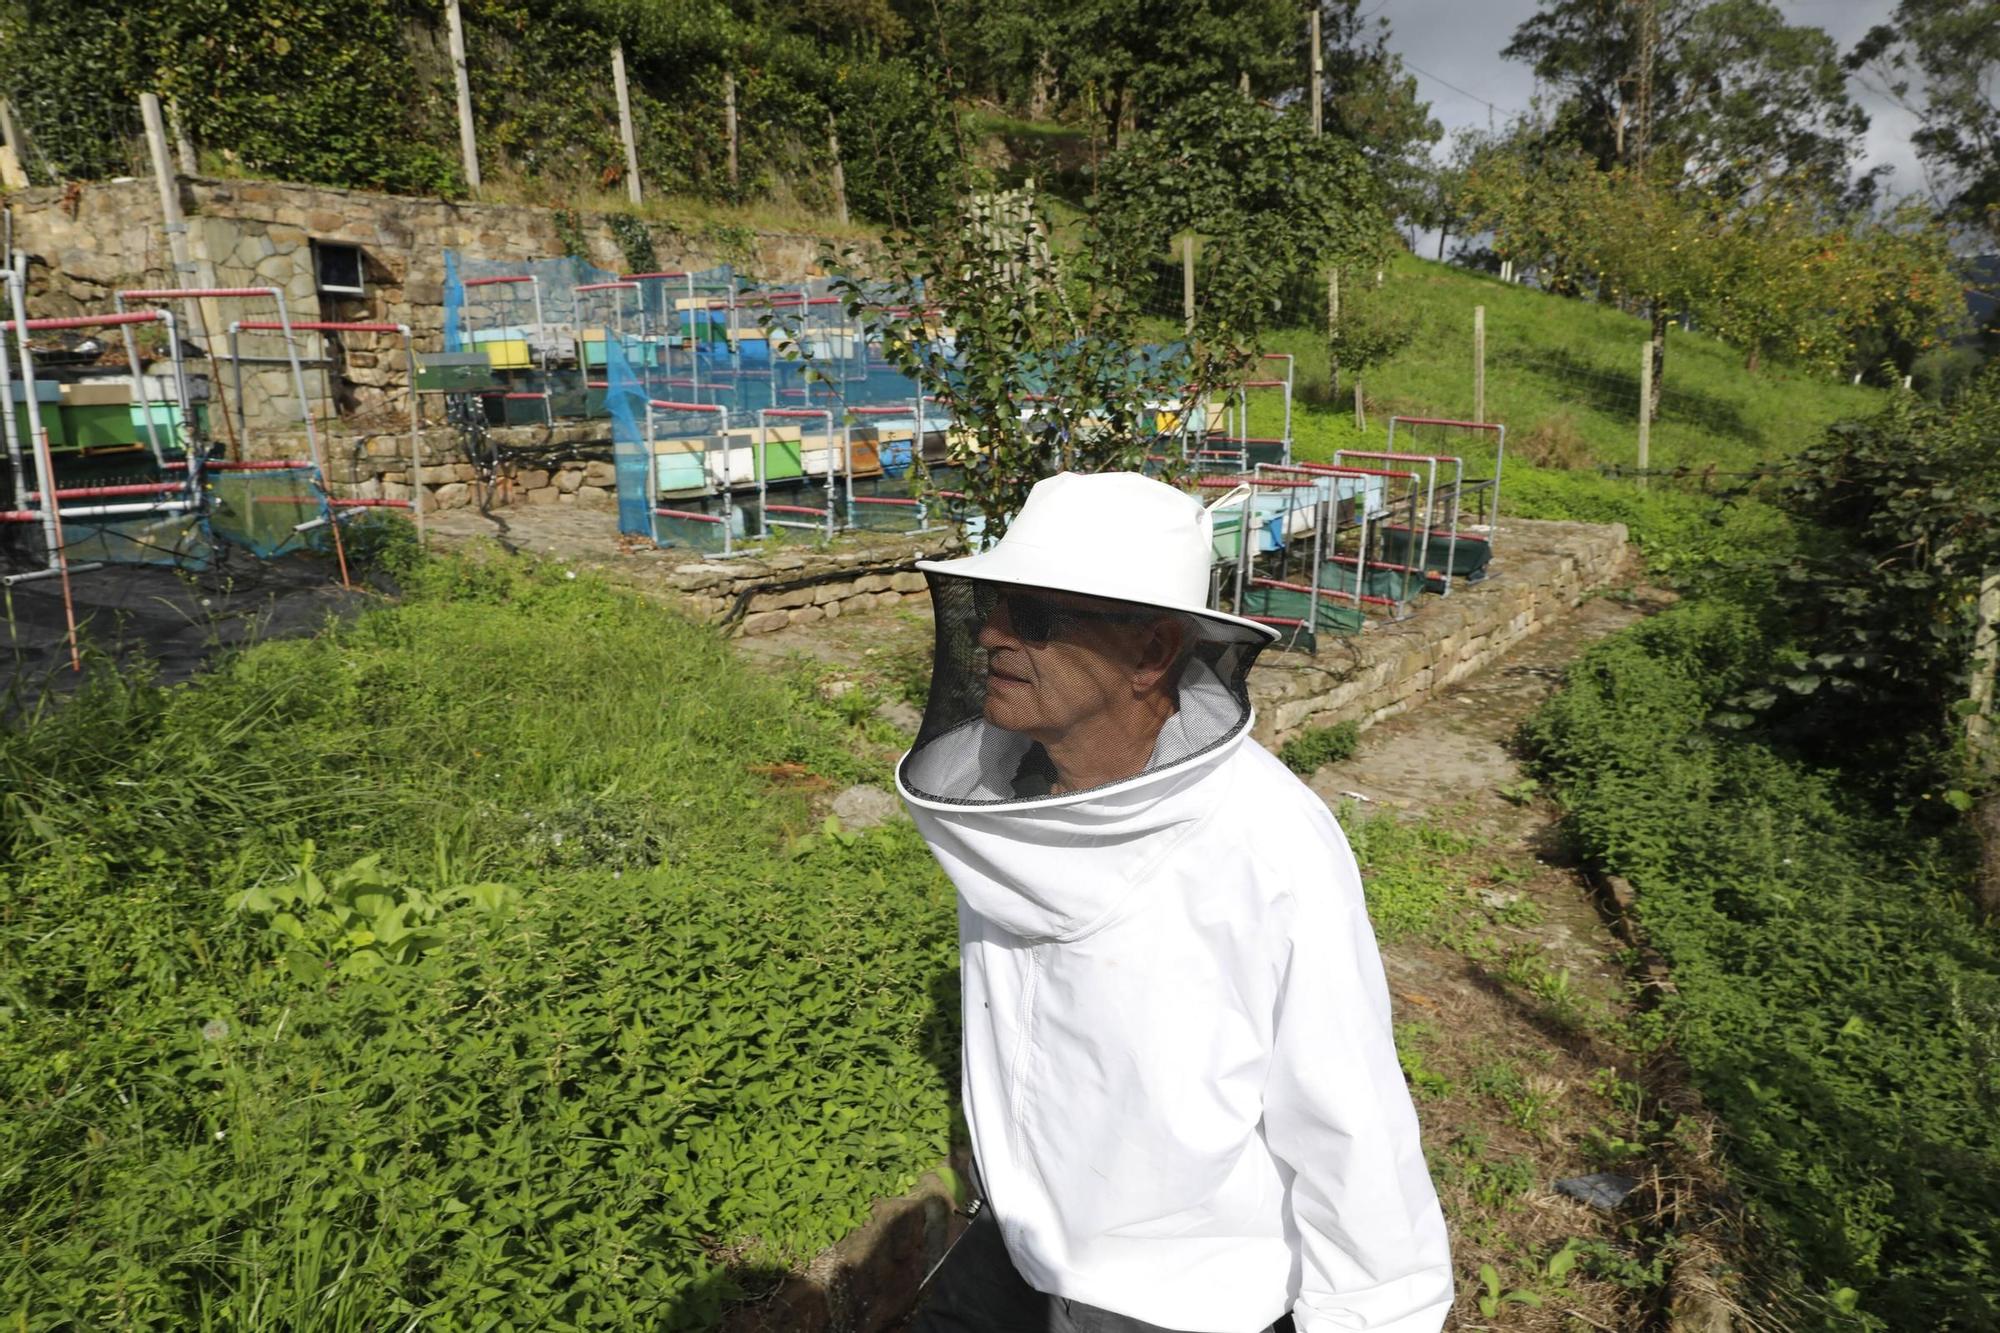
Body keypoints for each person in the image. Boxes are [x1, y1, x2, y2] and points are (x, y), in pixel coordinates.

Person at [896, 471, 1453, 1333]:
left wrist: (1377, 1314)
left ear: (1153, 653)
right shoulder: (1010, 800)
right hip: (1019, 1239)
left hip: (1181, 1296)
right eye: (993, 603)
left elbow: (1349, 1121)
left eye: (1035, 614)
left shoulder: (1268, 846)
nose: (994, 633)